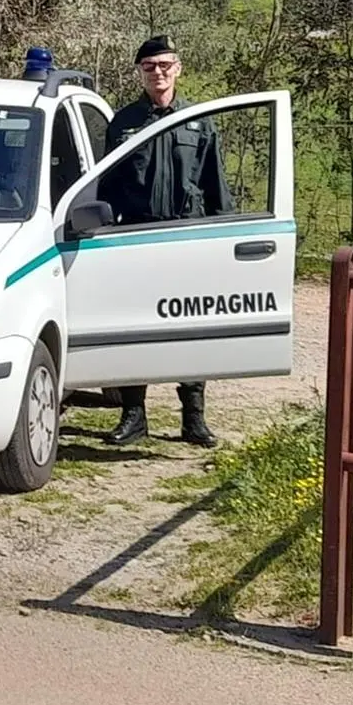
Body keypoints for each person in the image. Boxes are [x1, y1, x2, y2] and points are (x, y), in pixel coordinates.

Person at [98, 34, 232, 448]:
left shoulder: (200, 119)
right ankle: (134, 415)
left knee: (190, 328)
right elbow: (108, 188)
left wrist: (224, 239)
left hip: (188, 237)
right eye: (150, 66)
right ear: (139, 72)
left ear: (179, 68)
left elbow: (216, 185)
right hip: (136, 235)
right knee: (135, 328)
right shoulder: (123, 123)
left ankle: (194, 419)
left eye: (165, 65)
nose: (158, 72)